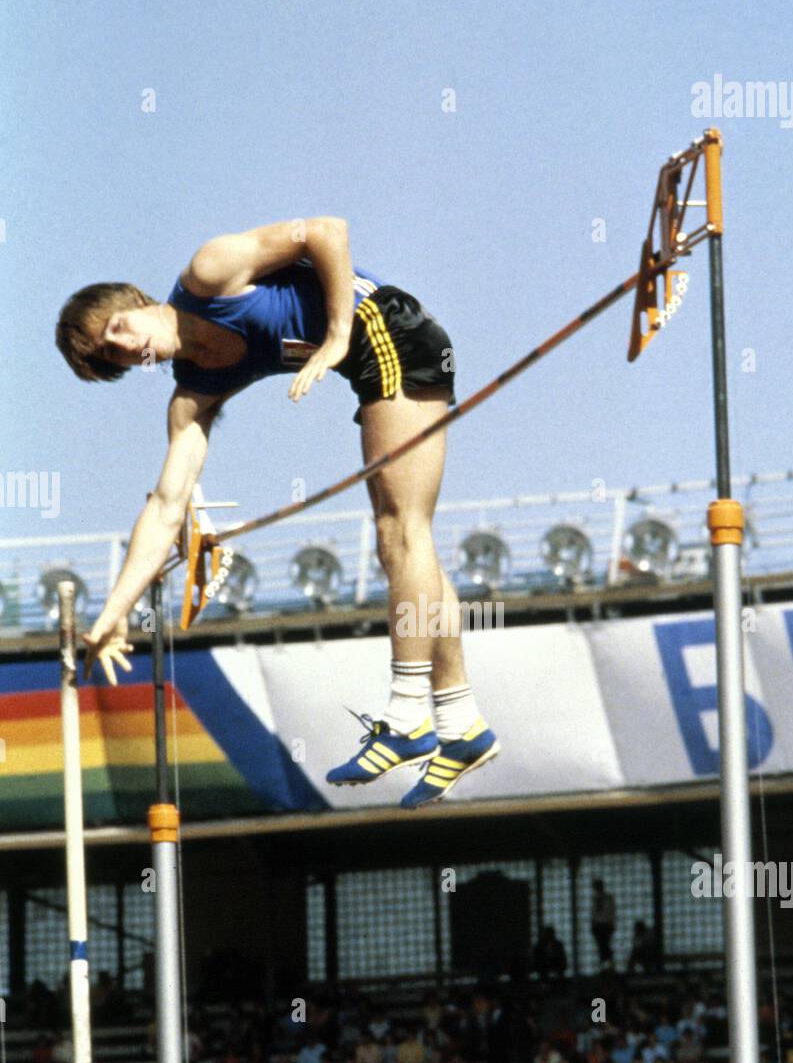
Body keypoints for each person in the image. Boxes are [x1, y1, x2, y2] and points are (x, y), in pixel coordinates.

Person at [56, 217, 499, 808]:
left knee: (401, 534)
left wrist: (338, 334)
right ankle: (461, 721)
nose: (125, 346)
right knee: (409, 543)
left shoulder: (210, 272)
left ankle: (407, 713)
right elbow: (166, 508)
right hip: (372, 365)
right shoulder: (194, 393)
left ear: (138, 301)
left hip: (389, 329)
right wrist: (114, 612)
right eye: (113, 355)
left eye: (118, 327)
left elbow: (326, 230)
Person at [590, 879, 616, 970]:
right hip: (600, 925)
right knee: (602, 945)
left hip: (604, 925)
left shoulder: (606, 898)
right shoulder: (597, 899)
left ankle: (606, 963)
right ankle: (607, 963)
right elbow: (593, 914)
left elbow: (611, 913)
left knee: (603, 945)